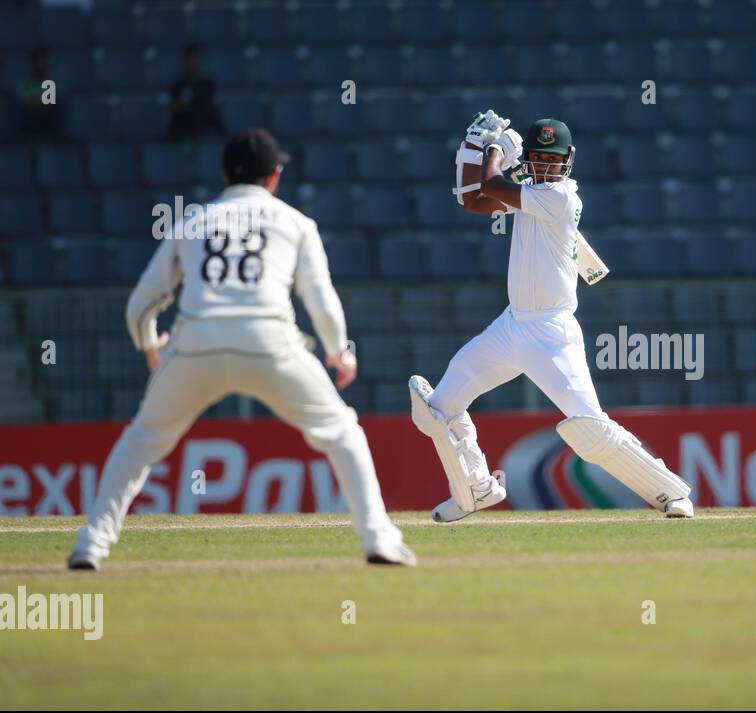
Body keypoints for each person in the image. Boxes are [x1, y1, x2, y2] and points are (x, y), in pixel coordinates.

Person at [68, 129, 414, 569]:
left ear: (223, 174)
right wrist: (338, 351)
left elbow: (140, 306)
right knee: (343, 432)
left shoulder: (191, 222)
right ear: (275, 176)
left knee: (141, 441)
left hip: (195, 342)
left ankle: (90, 546)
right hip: (269, 342)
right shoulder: (295, 222)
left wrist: (150, 349)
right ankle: (379, 540)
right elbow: (320, 298)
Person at [408, 112, 693, 522]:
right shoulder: (527, 191)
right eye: (538, 158)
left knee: (589, 427)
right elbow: (472, 200)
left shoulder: (560, 198)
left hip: (551, 332)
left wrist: (492, 149)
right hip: (511, 326)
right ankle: (475, 488)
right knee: (440, 406)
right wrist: (473, 152)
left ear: (567, 161)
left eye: (552, 159)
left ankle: (670, 493)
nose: (544, 166)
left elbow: (489, 184)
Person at [165, 43, 226, 142]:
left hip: (204, 125)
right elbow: (174, 109)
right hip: (183, 126)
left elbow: (211, 109)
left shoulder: (208, 84)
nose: (193, 64)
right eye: (190, 60)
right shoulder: (177, 85)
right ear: (184, 61)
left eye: (196, 60)